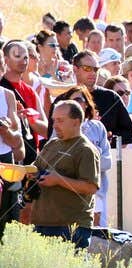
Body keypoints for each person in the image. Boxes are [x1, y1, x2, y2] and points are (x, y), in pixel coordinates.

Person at [28, 98, 100, 247]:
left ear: (76, 122)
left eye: (60, 120)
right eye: (54, 120)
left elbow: (91, 187)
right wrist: (24, 170)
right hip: (41, 222)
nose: (55, 125)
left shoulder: (85, 150)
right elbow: (36, 168)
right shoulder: (52, 144)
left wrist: (58, 180)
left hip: (71, 227)